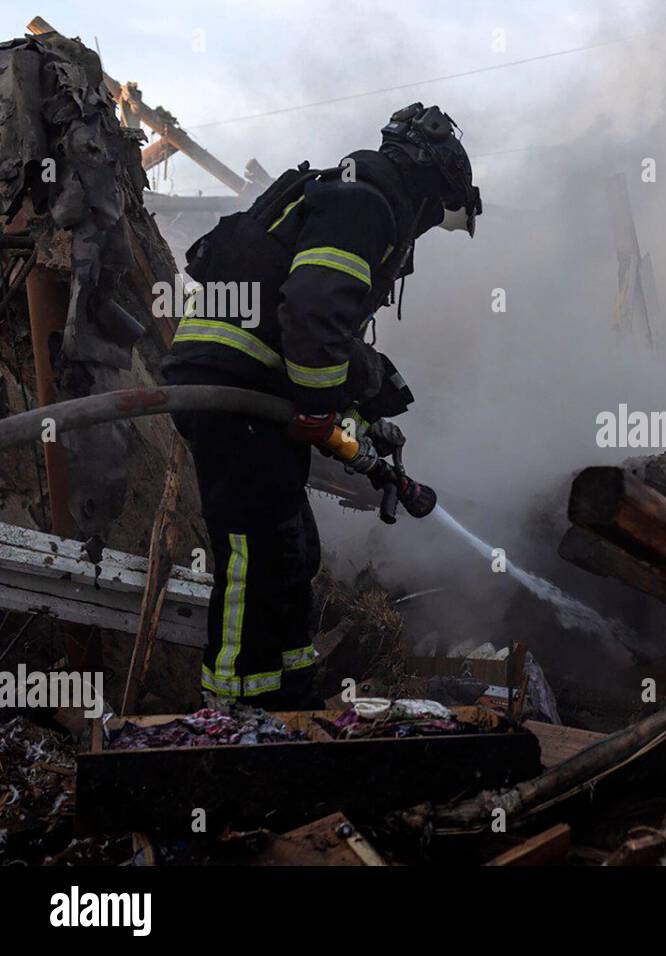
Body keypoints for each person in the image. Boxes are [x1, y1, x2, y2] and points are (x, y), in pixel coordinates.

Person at [161, 103, 480, 707]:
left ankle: (288, 691)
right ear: (423, 184)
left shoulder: (353, 198)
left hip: (256, 391)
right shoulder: (365, 207)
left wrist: (362, 419)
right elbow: (310, 316)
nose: (431, 226)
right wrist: (318, 405)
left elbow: (321, 342)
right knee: (253, 554)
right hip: (234, 391)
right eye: (436, 212)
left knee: (292, 550)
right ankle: (234, 710)